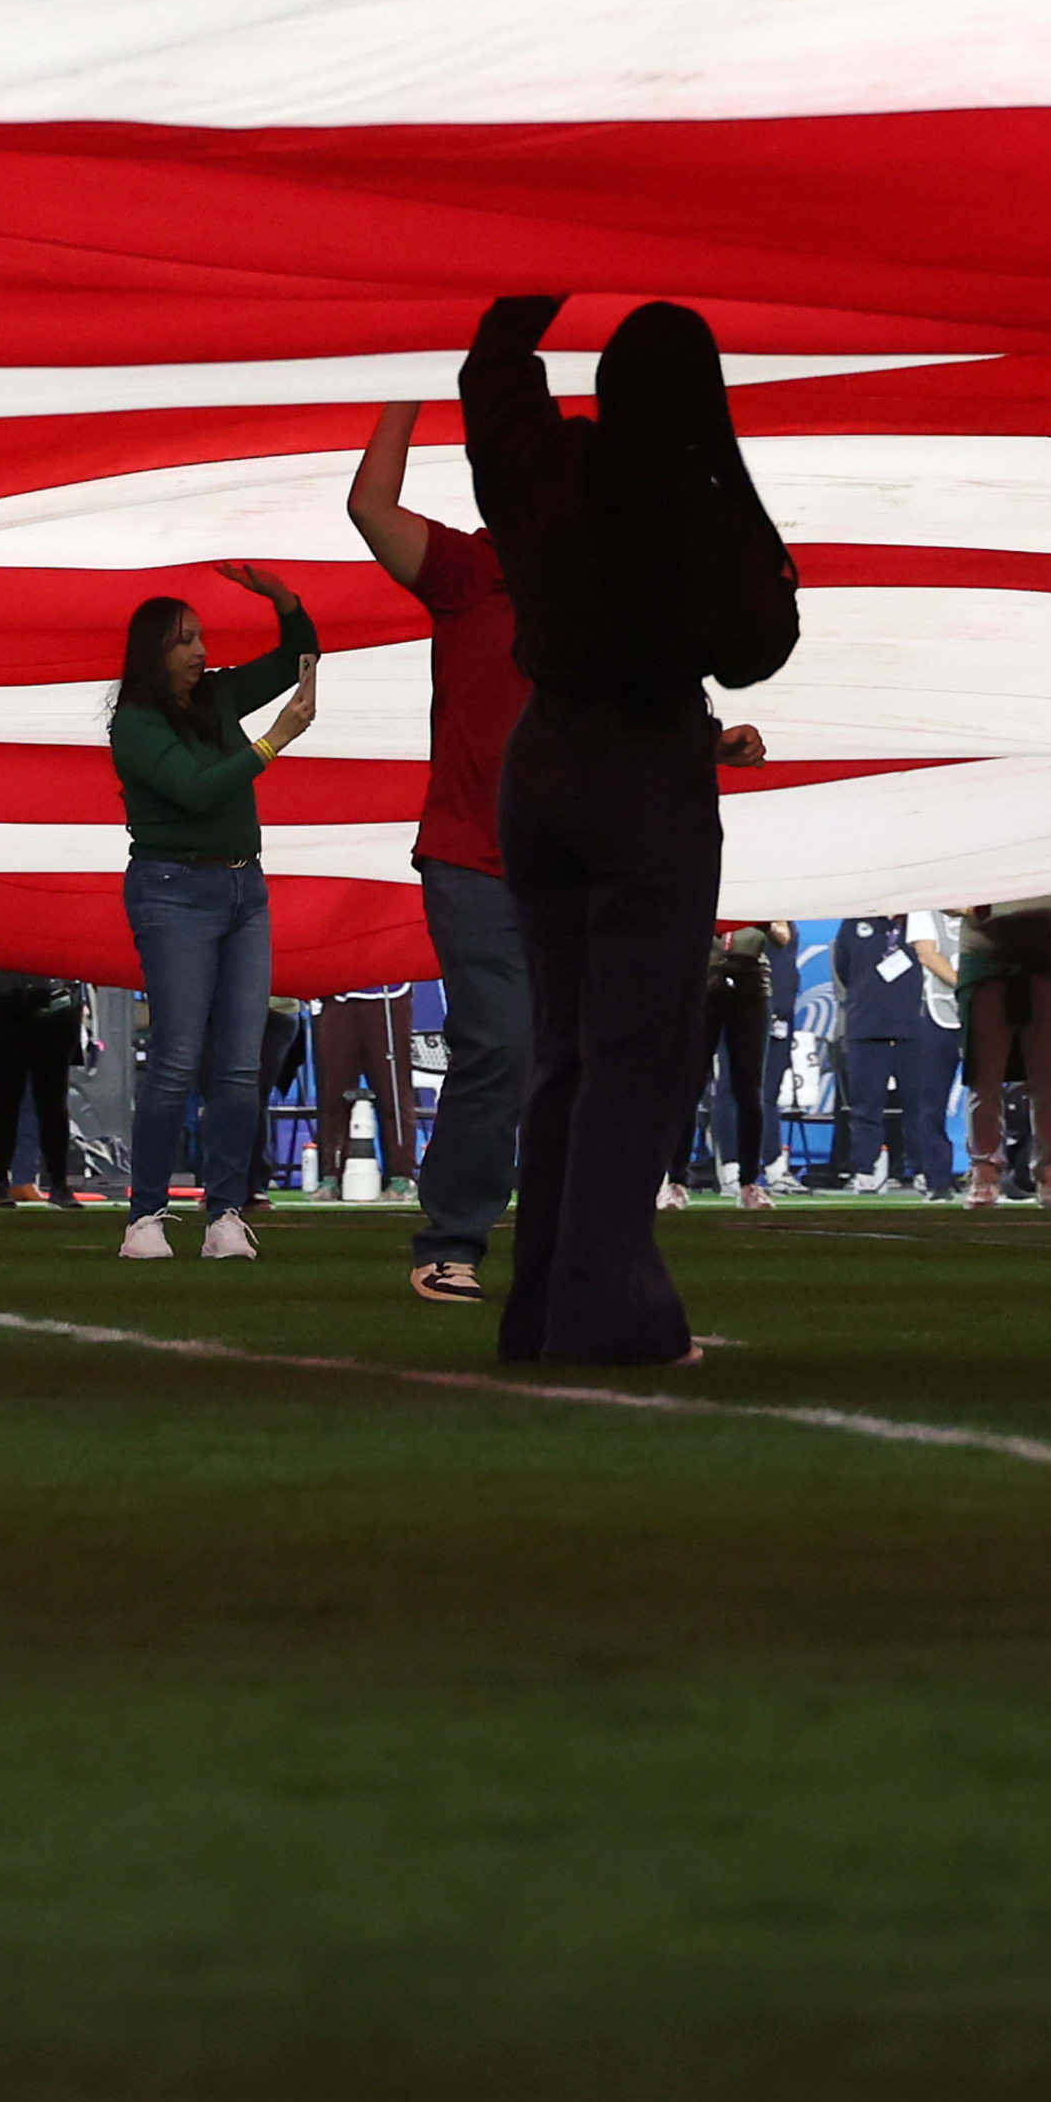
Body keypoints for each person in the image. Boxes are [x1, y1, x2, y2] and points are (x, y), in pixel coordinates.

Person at [463, 297, 800, 1365]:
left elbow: (491, 388)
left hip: (541, 758)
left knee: (564, 1050)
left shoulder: (552, 467)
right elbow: (757, 644)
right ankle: (608, 1311)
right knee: (635, 1054)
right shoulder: (692, 500)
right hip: (646, 768)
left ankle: (543, 1311)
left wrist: (525, 301)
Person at [346, 402, 526, 1296]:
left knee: (565, 1055)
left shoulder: (603, 593)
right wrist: (403, 394)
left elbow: (633, 711)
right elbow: (370, 508)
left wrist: (706, 743)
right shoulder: (471, 569)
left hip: (572, 864)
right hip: (473, 860)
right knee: (498, 1047)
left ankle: (573, 1242)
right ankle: (450, 1240)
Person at [105, 567, 320, 1260]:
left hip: (241, 888)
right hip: (173, 890)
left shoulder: (217, 696)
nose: (200, 650)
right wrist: (272, 741)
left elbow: (297, 658)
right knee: (176, 1058)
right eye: (184, 641)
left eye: (201, 637)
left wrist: (284, 599)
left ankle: (225, 1212)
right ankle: (145, 1216)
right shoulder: (135, 724)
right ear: (153, 652)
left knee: (238, 1065)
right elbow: (196, 790)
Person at [957, 898, 1051, 1212]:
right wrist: (967, 906)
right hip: (986, 965)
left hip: (1046, 965)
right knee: (983, 1080)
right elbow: (947, 898)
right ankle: (984, 1174)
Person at [830, 913, 953, 1193]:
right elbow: (843, 968)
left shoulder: (918, 920)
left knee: (919, 1107)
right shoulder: (855, 922)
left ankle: (923, 1170)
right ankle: (866, 1170)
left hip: (915, 1028)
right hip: (866, 1026)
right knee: (865, 1107)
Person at [0, 966, 87, 1207]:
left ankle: (50, 1182)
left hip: (46, 993)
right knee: (9, 1095)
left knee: (48, 1097)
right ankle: (4, 1181)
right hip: (12, 993)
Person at [701, 921, 788, 1208]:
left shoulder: (758, 899)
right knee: (689, 1085)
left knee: (749, 1089)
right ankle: (675, 1180)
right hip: (703, 983)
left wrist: (764, 922)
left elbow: (782, 937)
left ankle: (749, 1182)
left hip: (750, 985)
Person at [308, 981, 418, 1199]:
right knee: (333, 1095)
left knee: (393, 1092)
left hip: (388, 994)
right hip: (336, 993)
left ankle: (401, 1176)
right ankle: (331, 1176)